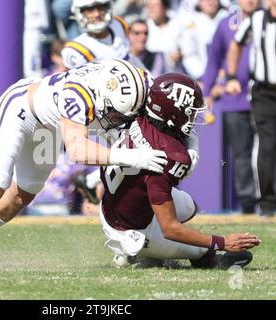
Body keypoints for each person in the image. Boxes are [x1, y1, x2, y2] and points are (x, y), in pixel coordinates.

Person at [0, 59, 168, 267]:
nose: (116, 120)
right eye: (114, 113)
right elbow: (78, 150)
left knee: (25, 192)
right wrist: (131, 155)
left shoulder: (141, 83)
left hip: (53, 122)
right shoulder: (79, 95)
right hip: (24, 110)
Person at [99, 73, 261, 269]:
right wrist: (223, 242)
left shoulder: (139, 112)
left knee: (189, 207)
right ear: (173, 112)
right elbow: (170, 228)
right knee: (204, 252)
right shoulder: (166, 157)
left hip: (113, 203)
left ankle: (146, 249)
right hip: (130, 229)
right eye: (190, 112)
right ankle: (132, 251)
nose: (193, 118)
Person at [226, 0, 276, 215]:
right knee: (268, 146)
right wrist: (232, 76)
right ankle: (268, 203)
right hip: (265, 93)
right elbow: (236, 43)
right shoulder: (256, 19)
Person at [202, 0, 260, 213]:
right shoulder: (226, 24)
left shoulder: (273, 20)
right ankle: (247, 203)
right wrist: (207, 92)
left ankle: (275, 200)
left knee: (274, 150)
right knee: (241, 153)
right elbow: (214, 59)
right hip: (235, 99)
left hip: (267, 97)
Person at [61, 0, 144, 69]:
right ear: (79, 13)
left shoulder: (119, 24)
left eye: (100, 8)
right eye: (90, 10)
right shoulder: (76, 50)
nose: (97, 14)